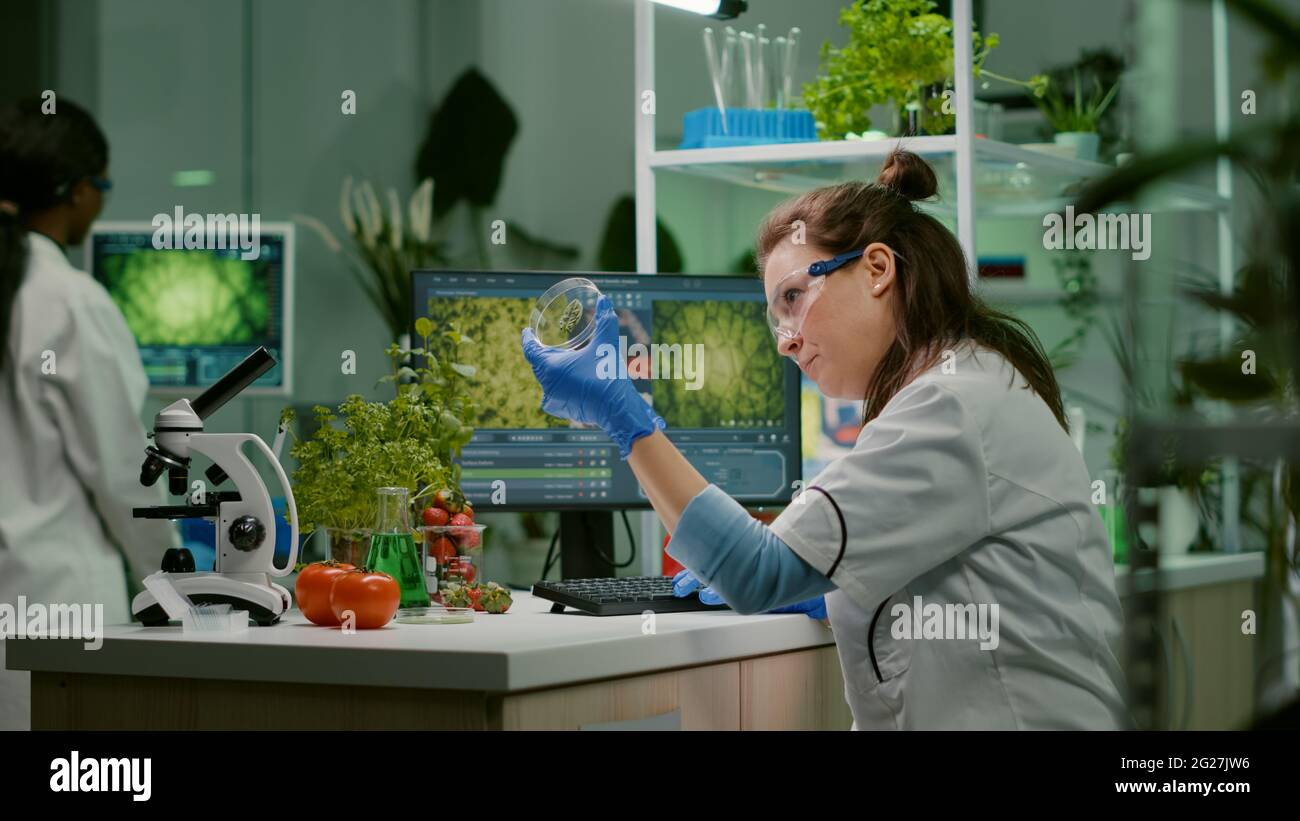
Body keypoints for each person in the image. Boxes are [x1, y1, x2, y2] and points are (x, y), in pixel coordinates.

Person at [522, 148, 1131, 730]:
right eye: (775, 315)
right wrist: (833, 593)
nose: (785, 339)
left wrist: (623, 417)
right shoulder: (963, 382)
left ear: (876, 269)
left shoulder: (949, 406)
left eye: (794, 298)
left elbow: (756, 571)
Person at [0, 96, 176, 730]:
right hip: (58, 614)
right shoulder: (68, 301)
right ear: (77, 193)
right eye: (100, 187)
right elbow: (126, 476)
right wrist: (176, 582)